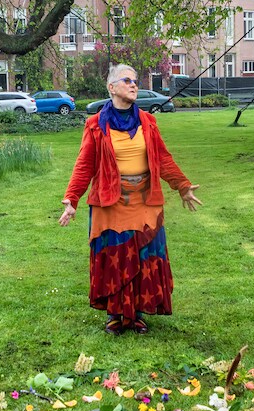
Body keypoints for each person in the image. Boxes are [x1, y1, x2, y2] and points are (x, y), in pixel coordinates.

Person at [59, 64, 202, 335]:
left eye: (135, 81)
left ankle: (135, 314)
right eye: (127, 80)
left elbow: (162, 157)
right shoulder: (95, 125)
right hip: (110, 203)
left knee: (143, 257)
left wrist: (181, 185)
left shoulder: (148, 121)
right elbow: (84, 164)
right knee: (116, 257)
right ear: (112, 87)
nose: (134, 85)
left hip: (144, 201)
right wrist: (72, 198)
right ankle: (116, 314)